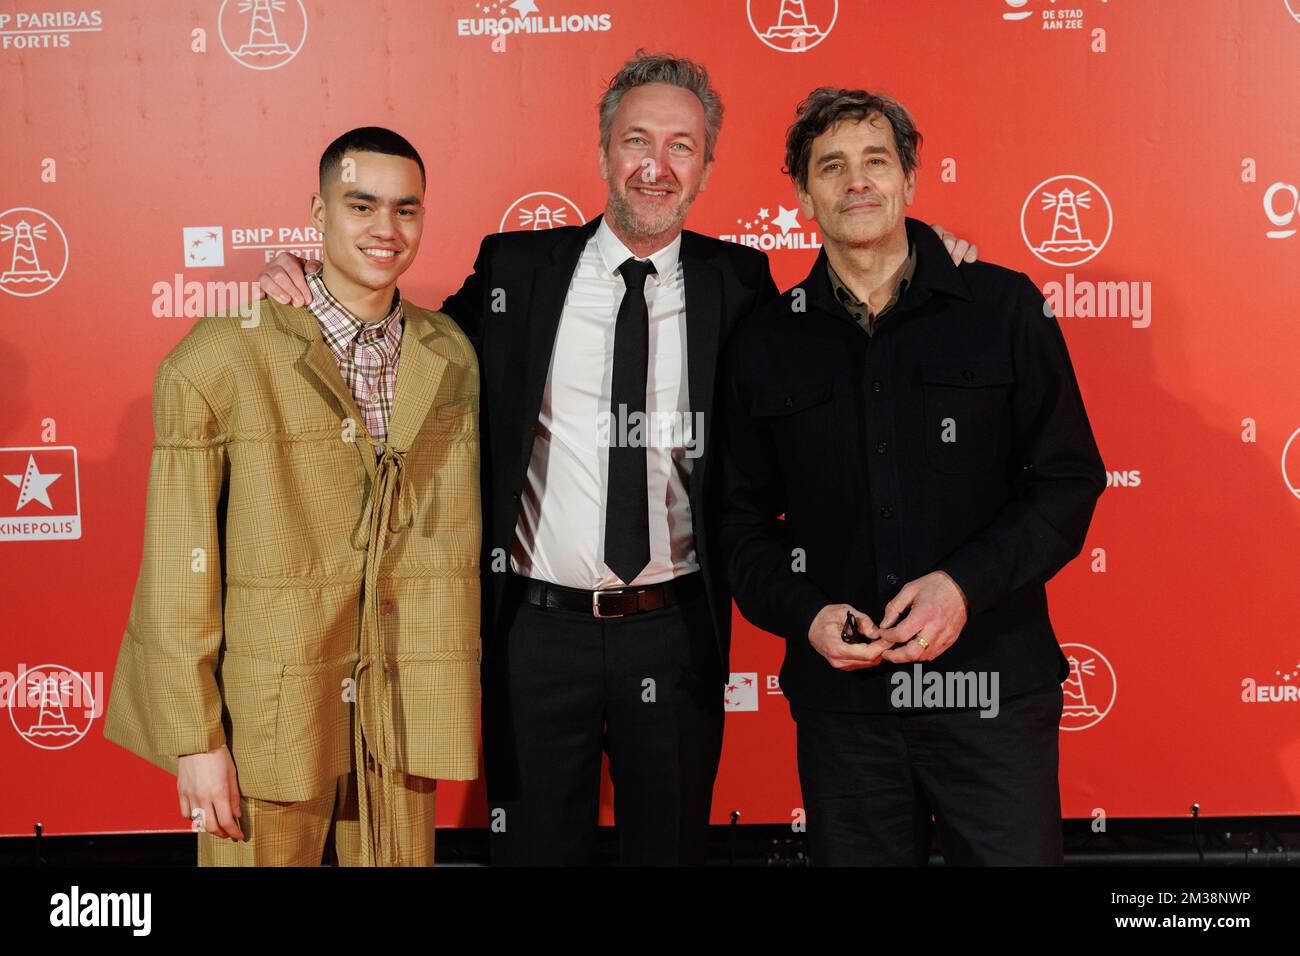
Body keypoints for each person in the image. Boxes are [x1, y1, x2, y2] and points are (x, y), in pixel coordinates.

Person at [255, 53, 978, 866]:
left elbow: (841, 321)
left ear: (705, 167)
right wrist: (316, 283)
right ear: (605, 155)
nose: (656, 166)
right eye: (638, 141)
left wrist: (918, 257)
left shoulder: (737, 281)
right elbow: (403, 344)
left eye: (681, 146)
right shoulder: (516, 271)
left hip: (674, 634)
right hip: (533, 634)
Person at [719, 88, 1106, 865]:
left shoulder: (1001, 307)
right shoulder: (765, 341)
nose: (855, 182)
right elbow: (738, 523)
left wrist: (962, 586)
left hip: (992, 692)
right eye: (831, 167)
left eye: (875, 161)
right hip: (846, 714)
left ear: (910, 180)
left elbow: (1067, 480)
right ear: (802, 193)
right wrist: (806, 615)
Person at [103, 127, 481, 866]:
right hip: (269, 711)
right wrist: (195, 739)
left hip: (405, 705)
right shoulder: (220, 354)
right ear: (317, 211)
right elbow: (179, 572)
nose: (386, 229)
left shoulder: (450, 352)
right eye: (361, 205)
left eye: (407, 210)